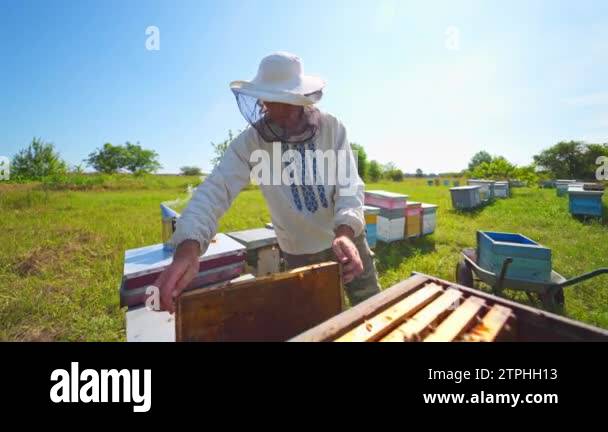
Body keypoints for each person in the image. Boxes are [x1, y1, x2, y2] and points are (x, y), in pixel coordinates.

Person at [154, 52, 380, 313]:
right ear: (262, 101)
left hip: (348, 240)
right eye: (275, 102)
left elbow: (349, 184)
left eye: (290, 102)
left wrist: (346, 232)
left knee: (372, 306)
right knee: (317, 318)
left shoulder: (332, 128)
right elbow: (216, 190)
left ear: (303, 97)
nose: (284, 113)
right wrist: (188, 247)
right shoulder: (250, 143)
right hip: (298, 251)